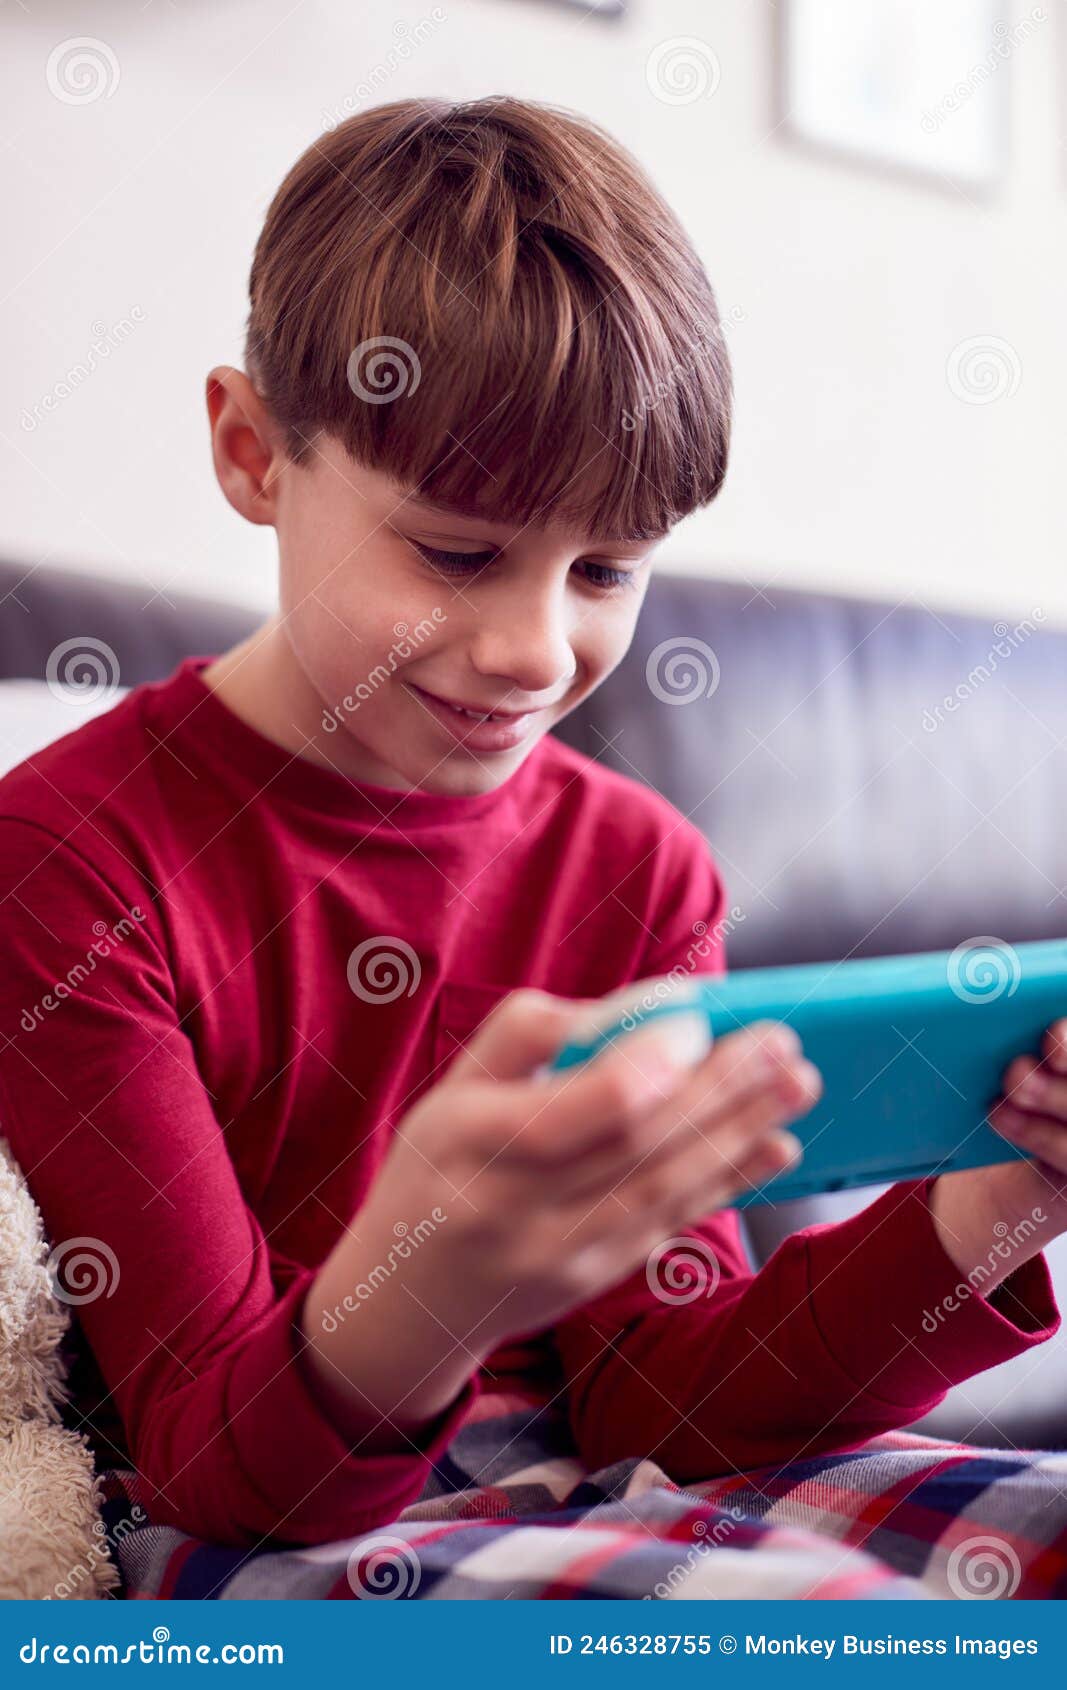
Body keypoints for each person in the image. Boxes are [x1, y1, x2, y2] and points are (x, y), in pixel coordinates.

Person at [0, 97, 1060, 1551]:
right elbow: (217, 1475)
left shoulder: (636, 867)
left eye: (609, 569)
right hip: (290, 1534)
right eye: (457, 551)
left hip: (600, 1498)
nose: (534, 650)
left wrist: (1008, 1196)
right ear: (253, 453)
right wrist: (429, 1281)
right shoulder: (69, 855)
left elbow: (658, 1403)